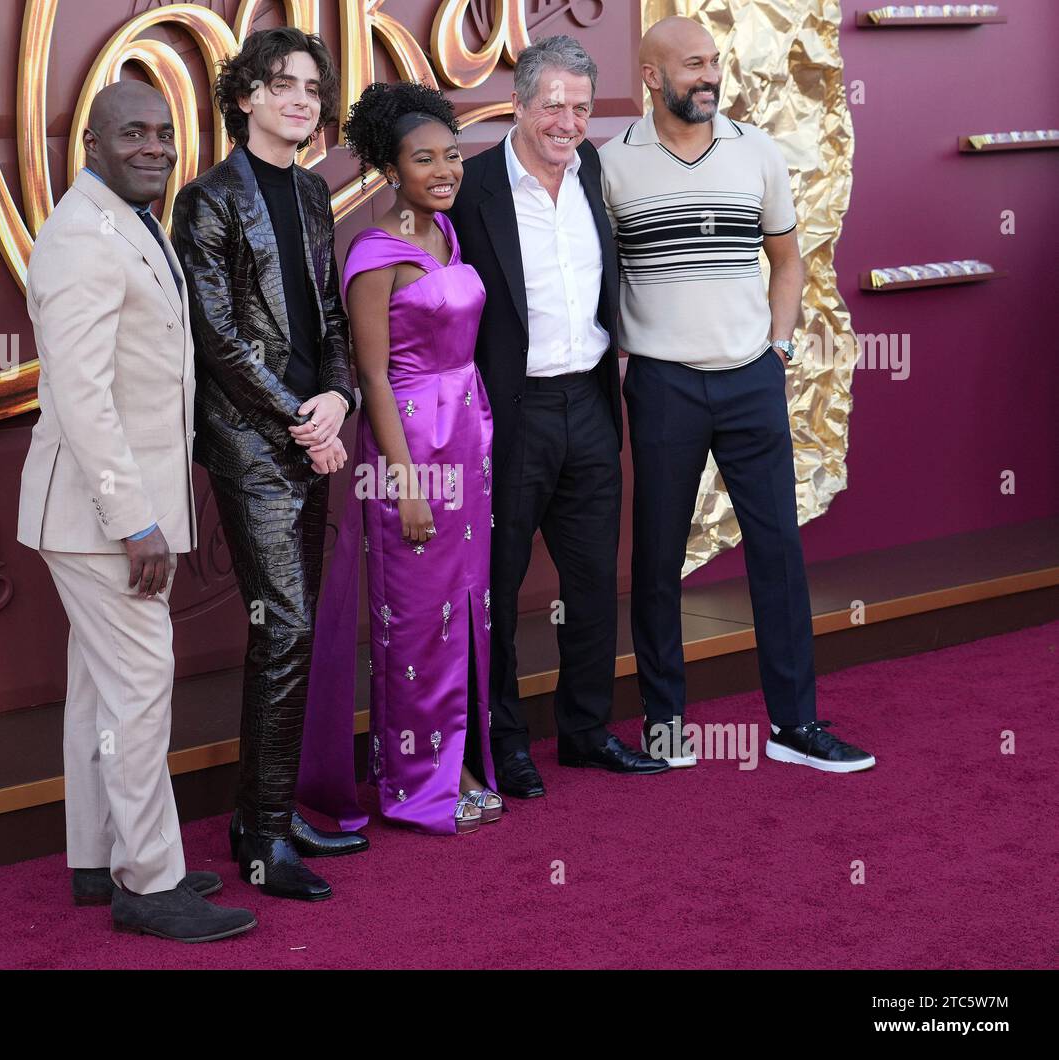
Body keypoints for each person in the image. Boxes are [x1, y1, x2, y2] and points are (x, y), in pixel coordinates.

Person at [600, 16, 875, 772]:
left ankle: (795, 727)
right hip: (661, 386)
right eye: (692, 65)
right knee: (657, 558)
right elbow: (598, 274)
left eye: (713, 62)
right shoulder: (611, 164)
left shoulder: (756, 149)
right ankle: (665, 726)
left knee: (778, 553)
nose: (709, 76)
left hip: (752, 378)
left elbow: (787, 260)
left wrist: (778, 345)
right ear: (651, 77)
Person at [16, 81, 256, 942]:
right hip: (100, 519)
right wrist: (136, 521)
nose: (154, 146)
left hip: (94, 515)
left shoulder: (124, 219)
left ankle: (97, 857)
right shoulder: (81, 237)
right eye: (133, 133)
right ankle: (149, 882)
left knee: (98, 690)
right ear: (90, 141)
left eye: (163, 132)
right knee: (139, 689)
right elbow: (81, 398)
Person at [171, 28, 368, 903]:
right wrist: (298, 421)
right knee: (285, 628)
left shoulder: (313, 194)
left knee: (291, 630)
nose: (300, 99)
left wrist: (338, 399)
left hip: (307, 432)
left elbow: (327, 317)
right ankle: (265, 834)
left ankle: (267, 817)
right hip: (251, 444)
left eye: (311, 87)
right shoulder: (205, 200)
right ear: (244, 96)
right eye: (280, 84)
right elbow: (216, 337)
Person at [448, 35, 671, 799]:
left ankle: (583, 731)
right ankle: (502, 741)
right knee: (498, 589)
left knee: (589, 581)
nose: (568, 121)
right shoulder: (469, 188)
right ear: (519, 103)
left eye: (580, 107)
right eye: (553, 106)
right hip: (511, 415)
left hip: (590, 404)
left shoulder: (596, 175)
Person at [297, 81, 501, 836]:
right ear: (390, 168)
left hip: (468, 442)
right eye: (426, 159)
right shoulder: (375, 254)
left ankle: (458, 765)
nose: (445, 170)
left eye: (453, 154)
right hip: (407, 451)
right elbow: (374, 376)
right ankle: (418, 781)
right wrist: (404, 483)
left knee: (464, 614)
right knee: (415, 624)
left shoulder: (448, 236)